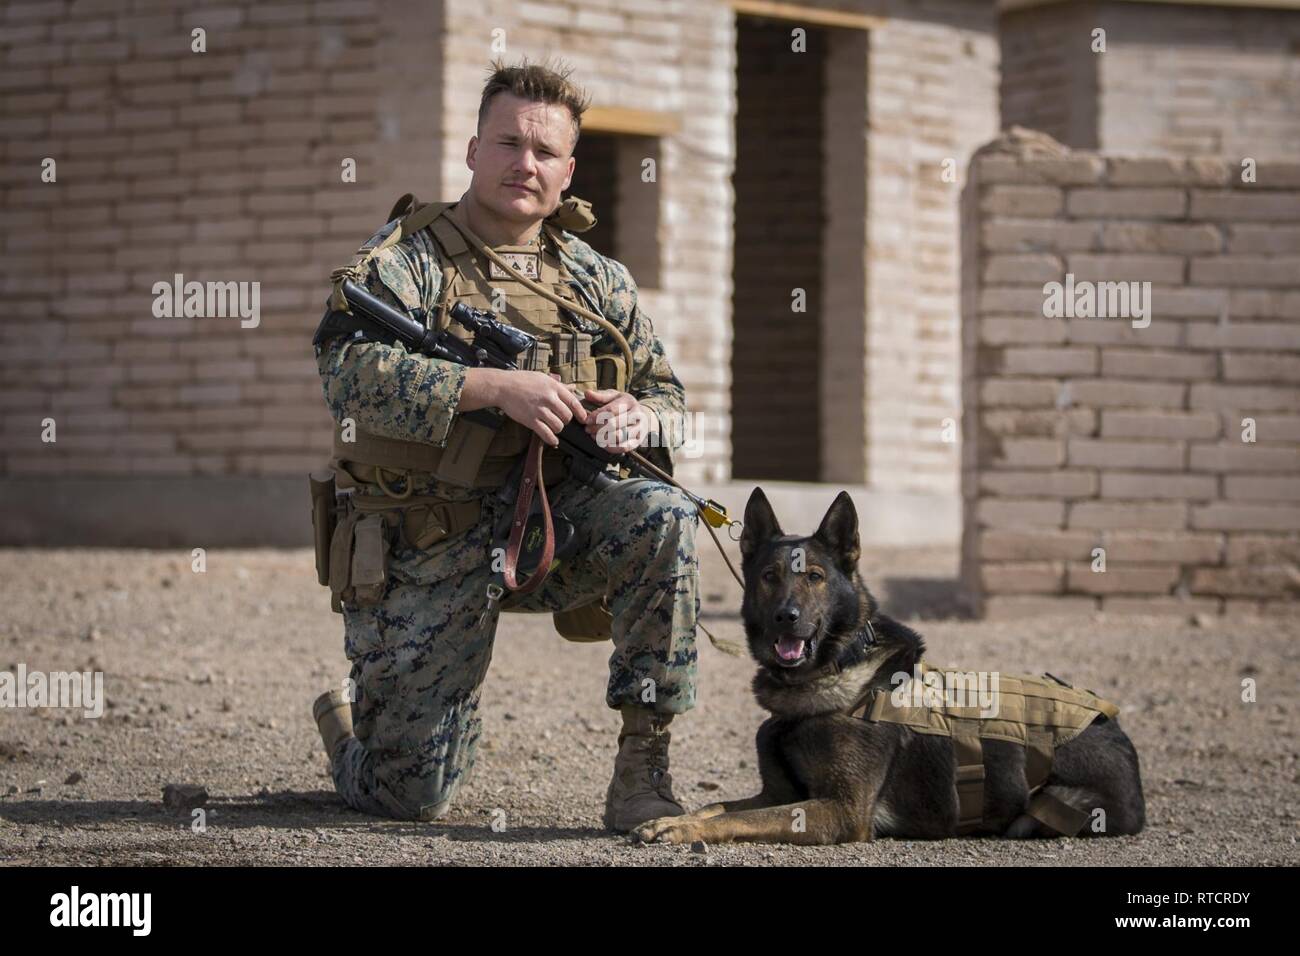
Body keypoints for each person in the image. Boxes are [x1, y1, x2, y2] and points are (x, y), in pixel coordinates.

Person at [308, 59, 699, 832]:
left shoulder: (596, 280)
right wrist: (489, 389)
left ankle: (644, 773)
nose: (526, 163)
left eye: (545, 152)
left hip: (554, 527)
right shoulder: (407, 261)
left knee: (666, 516)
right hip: (428, 536)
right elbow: (345, 373)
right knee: (411, 800)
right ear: (472, 152)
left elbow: (672, 398)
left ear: (568, 170)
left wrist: (636, 415)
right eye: (508, 142)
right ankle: (351, 734)